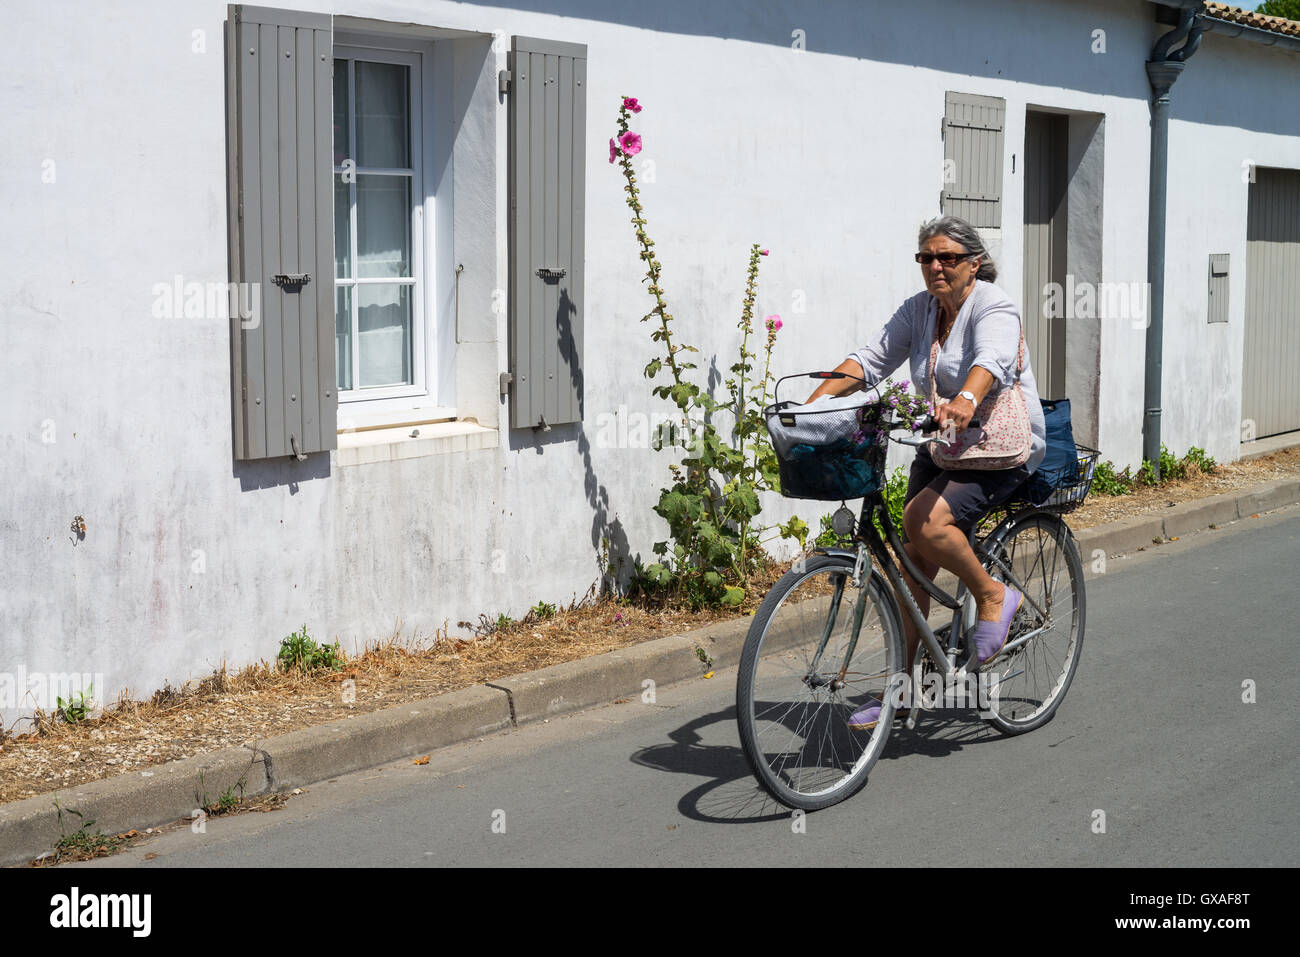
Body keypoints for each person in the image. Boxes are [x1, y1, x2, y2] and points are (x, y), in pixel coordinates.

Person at [806, 216, 1047, 730]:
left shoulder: (994, 306)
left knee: (925, 522)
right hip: (942, 443)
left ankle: (992, 594)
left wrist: (966, 399)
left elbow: (992, 360)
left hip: (998, 447)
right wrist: (812, 405)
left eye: (947, 258)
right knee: (911, 567)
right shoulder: (919, 311)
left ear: (973, 263)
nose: (935, 266)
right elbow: (870, 361)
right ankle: (901, 692)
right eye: (926, 258)